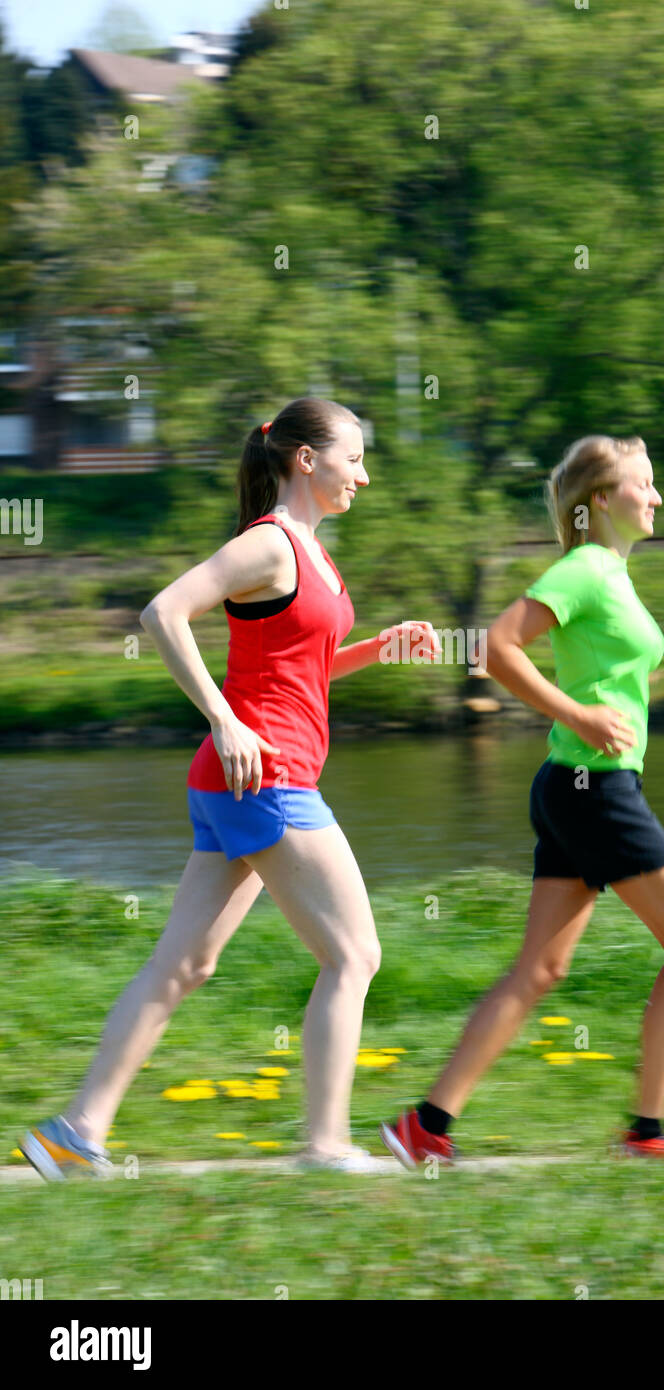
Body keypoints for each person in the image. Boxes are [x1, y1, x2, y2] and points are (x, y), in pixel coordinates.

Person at [20, 396, 440, 1180]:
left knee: (186, 966)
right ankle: (325, 1147)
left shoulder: (312, 553)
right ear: (306, 460)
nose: (366, 475)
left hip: (242, 781)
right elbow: (162, 613)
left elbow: (299, 671)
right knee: (355, 954)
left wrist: (379, 647)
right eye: (354, 459)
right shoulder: (270, 545)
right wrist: (224, 718)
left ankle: (72, 1135)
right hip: (264, 774)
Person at [380, 433, 664, 1169]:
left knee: (541, 970)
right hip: (594, 791)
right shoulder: (587, 570)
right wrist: (577, 717)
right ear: (601, 499)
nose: (658, 496)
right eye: (644, 483)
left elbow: (607, 696)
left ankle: (425, 1127)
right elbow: (497, 649)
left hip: (574, 787)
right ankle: (650, 1132)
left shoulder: (613, 576)